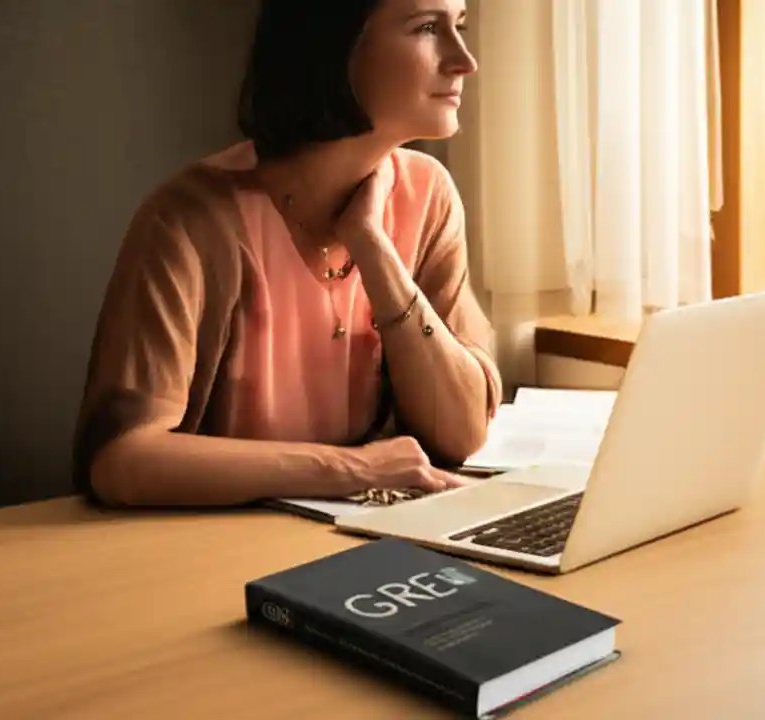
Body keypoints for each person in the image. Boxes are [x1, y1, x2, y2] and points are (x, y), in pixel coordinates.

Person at [72, 0, 501, 507]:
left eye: (460, 25)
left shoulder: (427, 194)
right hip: (206, 543)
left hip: (347, 534)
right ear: (335, 48)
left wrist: (372, 245)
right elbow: (121, 459)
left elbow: (461, 431)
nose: (465, 60)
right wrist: (354, 469)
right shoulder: (190, 220)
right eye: (427, 27)